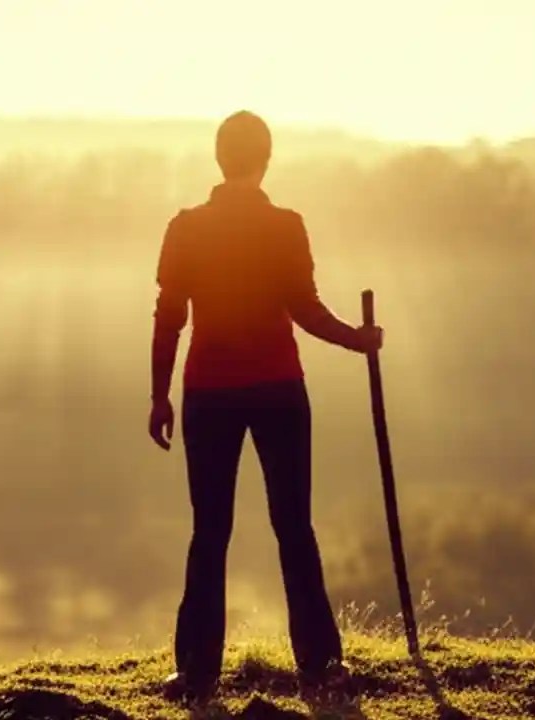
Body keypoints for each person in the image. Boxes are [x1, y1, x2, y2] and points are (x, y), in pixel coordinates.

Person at [149, 110, 383, 704]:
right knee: (294, 529)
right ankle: (322, 669)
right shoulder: (286, 225)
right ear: (267, 158)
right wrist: (357, 339)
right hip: (279, 389)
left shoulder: (185, 227)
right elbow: (304, 308)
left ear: (219, 158)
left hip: (206, 393)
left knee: (210, 532)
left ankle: (197, 677)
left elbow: (170, 318)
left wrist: (159, 394)